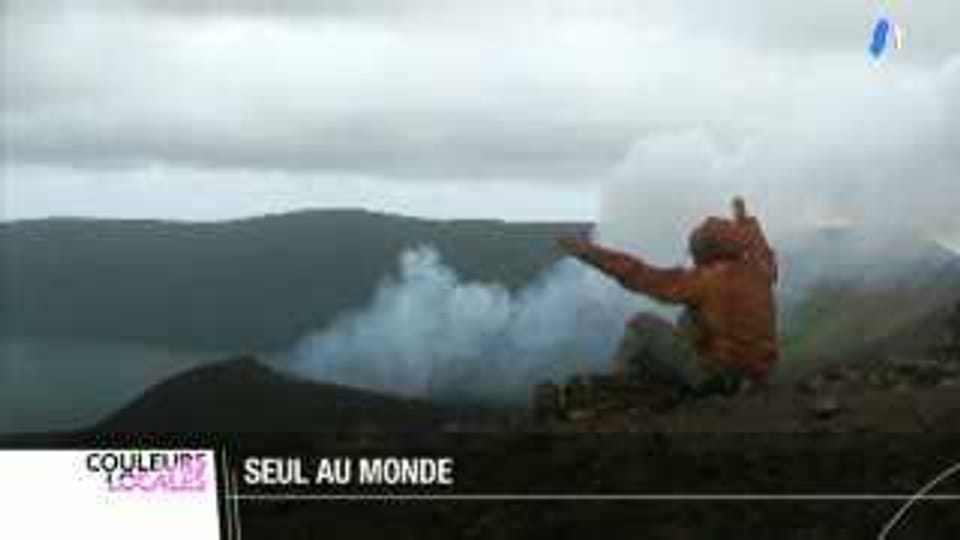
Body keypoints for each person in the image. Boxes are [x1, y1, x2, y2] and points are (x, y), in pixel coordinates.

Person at [557, 197, 778, 398]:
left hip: (721, 377)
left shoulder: (703, 280)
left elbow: (637, 274)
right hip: (760, 372)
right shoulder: (761, 268)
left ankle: (622, 386)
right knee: (689, 318)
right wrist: (742, 218)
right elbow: (760, 246)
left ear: (702, 251)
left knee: (641, 323)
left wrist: (586, 251)